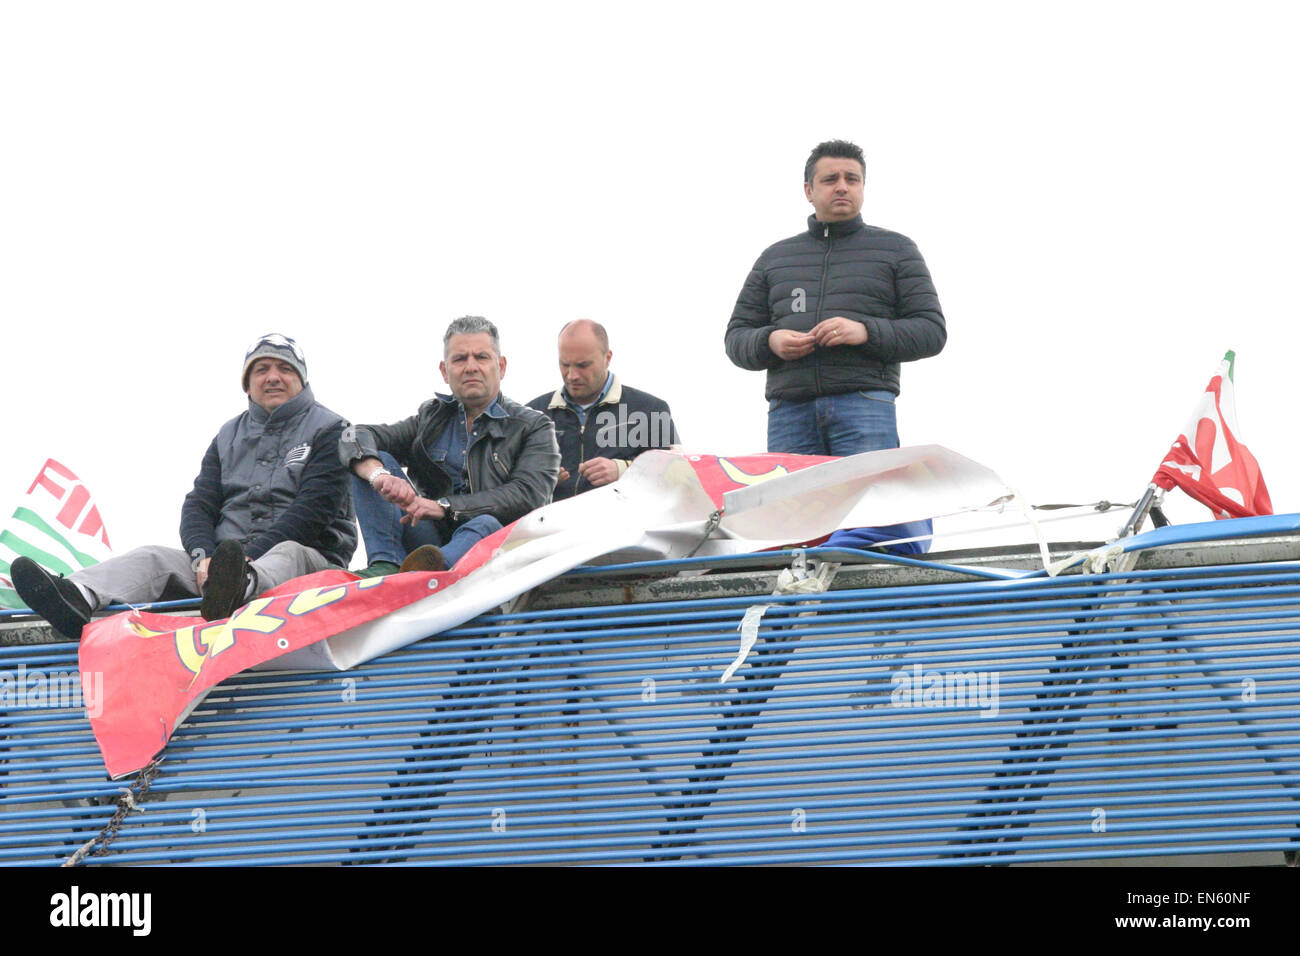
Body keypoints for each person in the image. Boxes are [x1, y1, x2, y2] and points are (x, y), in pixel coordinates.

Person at [11, 333, 358, 638]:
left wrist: (244, 560)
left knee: (288, 553)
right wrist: (202, 558)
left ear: (302, 378)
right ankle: (77, 595)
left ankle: (241, 585)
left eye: (284, 369)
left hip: (310, 561)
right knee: (151, 556)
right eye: (260, 369)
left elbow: (315, 509)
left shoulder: (331, 429)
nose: (273, 377)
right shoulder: (227, 436)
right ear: (246, 383)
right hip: (222, 566)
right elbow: (199, 504)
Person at [725, 139, 947, 457]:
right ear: (808, 191)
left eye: (851, 179)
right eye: (830, 179)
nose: (842, 187)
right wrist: (770, 341)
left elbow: (931, 332)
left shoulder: (897, 250)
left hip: (866, 405)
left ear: (862, 187)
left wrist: (865, 332)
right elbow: (736, 338)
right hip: (790, 412)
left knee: (867, 505)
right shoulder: (774, 258)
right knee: (795, 507)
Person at [340, 315, 560, 574]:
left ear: (501, 366)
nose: (470, 367)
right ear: (445, 371)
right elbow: (352, 435)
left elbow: (528, 495)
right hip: (425, 541)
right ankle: (385, 565)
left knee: (486, 523)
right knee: (378, 460)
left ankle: (430, 574)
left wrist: (445, 507)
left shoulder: (533, 426)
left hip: (498, 555)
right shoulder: (429, 420)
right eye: (459, 359)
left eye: (481, 357)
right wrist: (378, 475)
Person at [526, 319, 680, 500]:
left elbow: (677, 476)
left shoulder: (651, 410)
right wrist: (541, 480)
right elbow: (510, 483)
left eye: (583, 365)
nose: (572, 375)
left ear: (608, 358)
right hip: (549, 525)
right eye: (565, 365)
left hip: (623, 524)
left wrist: (623, 471)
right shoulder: (533, 415)